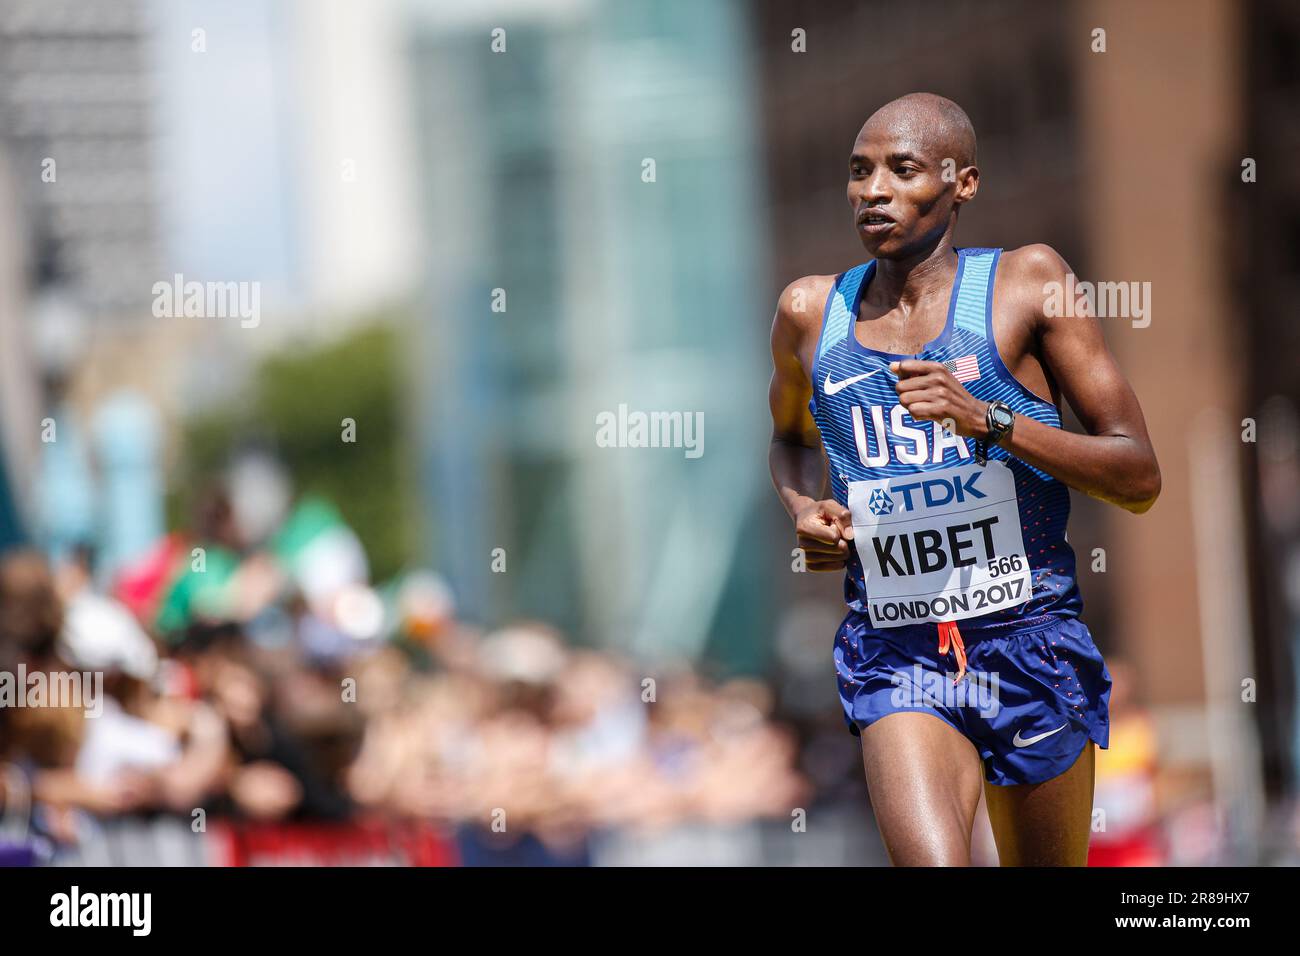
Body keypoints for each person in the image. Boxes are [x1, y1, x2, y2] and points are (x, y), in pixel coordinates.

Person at [767, 93, 1160, 865]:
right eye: (859, 171)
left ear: (962, 183)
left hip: (1031, 641)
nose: (873, 191)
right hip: (898, 650)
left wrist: (989, 420)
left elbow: (1136, 473)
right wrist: (804, 507)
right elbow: (788, 438)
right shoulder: (811, 311)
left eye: (902, 169)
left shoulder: (1027, 283)